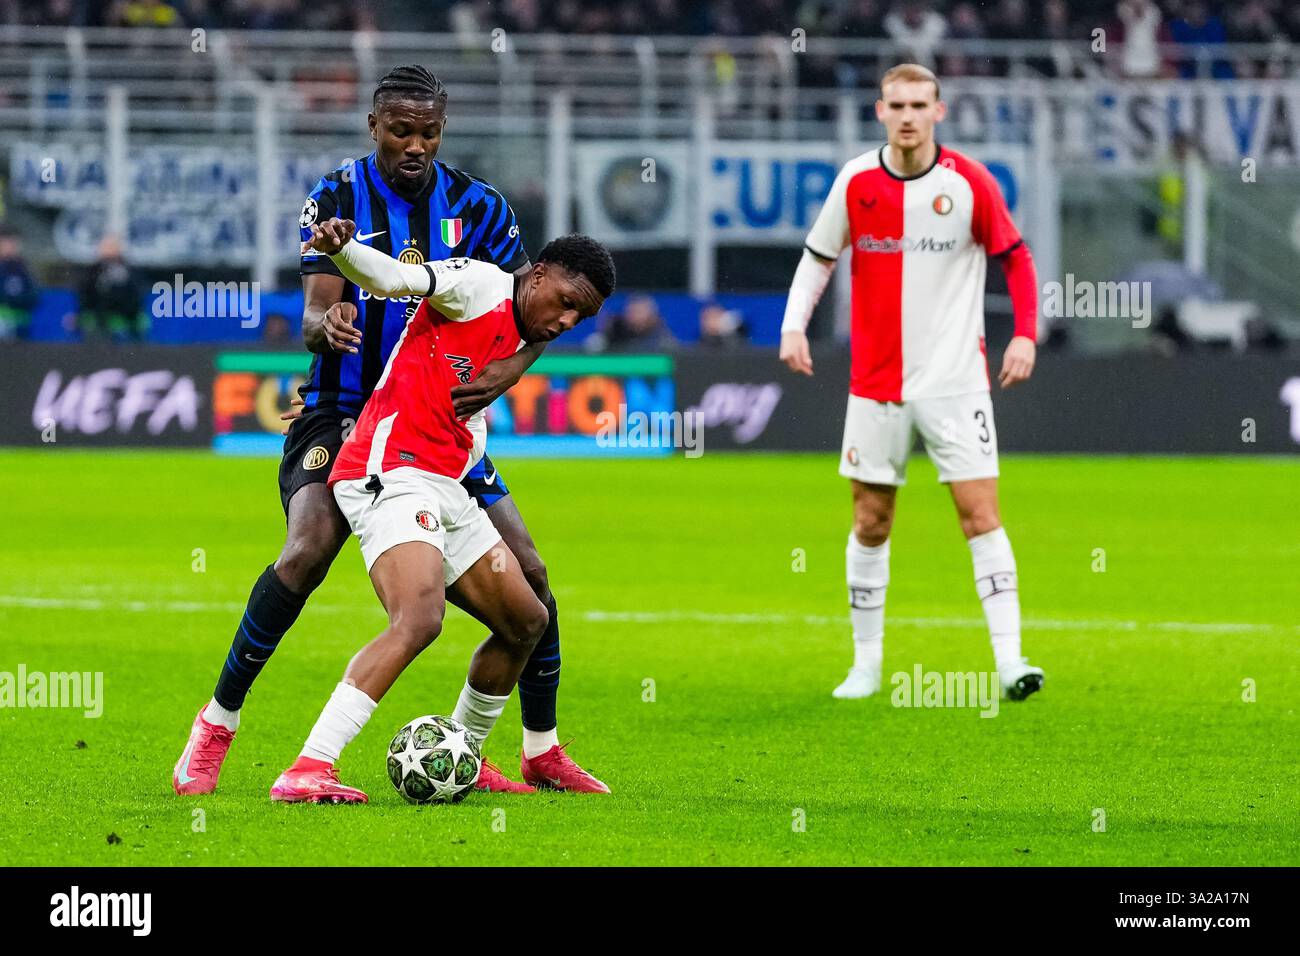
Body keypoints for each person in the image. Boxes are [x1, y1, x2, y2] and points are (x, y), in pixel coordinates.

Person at [174, 65, 607, 800]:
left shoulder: (483, 208)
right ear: (374, 126)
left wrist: (513, 369)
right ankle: (217, 724)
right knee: (308, 552)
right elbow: (318, 311)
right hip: (347, 408)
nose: (416, 145)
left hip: (441, 425)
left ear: (443, 129)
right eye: (402, 131)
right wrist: (323, 324)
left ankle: (539, 748)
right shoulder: (338, 195)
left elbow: (532, 303)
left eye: (429, 132)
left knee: (531, 579)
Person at [270, 218, 614, 803]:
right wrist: (344, 249)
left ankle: (467, 752)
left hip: (446, 486)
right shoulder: (478, 284)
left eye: (580, 318)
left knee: (527, 621)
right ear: (539, 275)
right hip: (391, 474)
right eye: (565, 303)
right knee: (419, 619)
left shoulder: (522, 334)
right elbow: (396, 277)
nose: (566, 322)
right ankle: (307, 767)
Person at [778, 63, 1045, 702]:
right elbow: (818, 259)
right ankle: (866, 665)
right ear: (879, 111)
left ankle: (1010, 661)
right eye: (896, 104)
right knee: (871, 519)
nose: (907, 115)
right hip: (876, 386)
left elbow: (1018, 259)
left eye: (919, 104)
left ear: (938, 112)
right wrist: (794, 327)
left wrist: (1027, 333)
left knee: (980, 515)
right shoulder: (856, 180)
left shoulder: (970, 183)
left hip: (956, 383)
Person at [0, 228, 38, 340]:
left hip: (18, 324)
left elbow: (34, 296)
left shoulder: (22, 269)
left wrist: (9, 300)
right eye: (5, 243)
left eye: (12, 243)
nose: (10, 247)